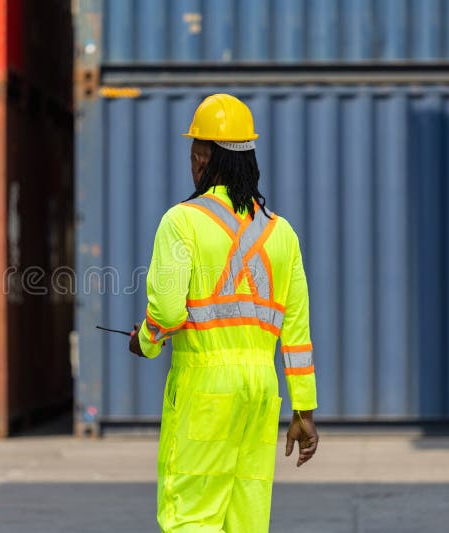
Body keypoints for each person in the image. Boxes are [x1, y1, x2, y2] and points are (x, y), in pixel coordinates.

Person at [129, 94, 319, 532]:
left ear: (202, 156)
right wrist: (304, 410)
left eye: (195, 150)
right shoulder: (280, 231)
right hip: (260, 394)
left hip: (205, 389)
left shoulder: (182, 222)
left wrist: (145, 341)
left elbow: (167, 311)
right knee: (246, 519)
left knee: (191, 517)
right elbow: (297, 329)